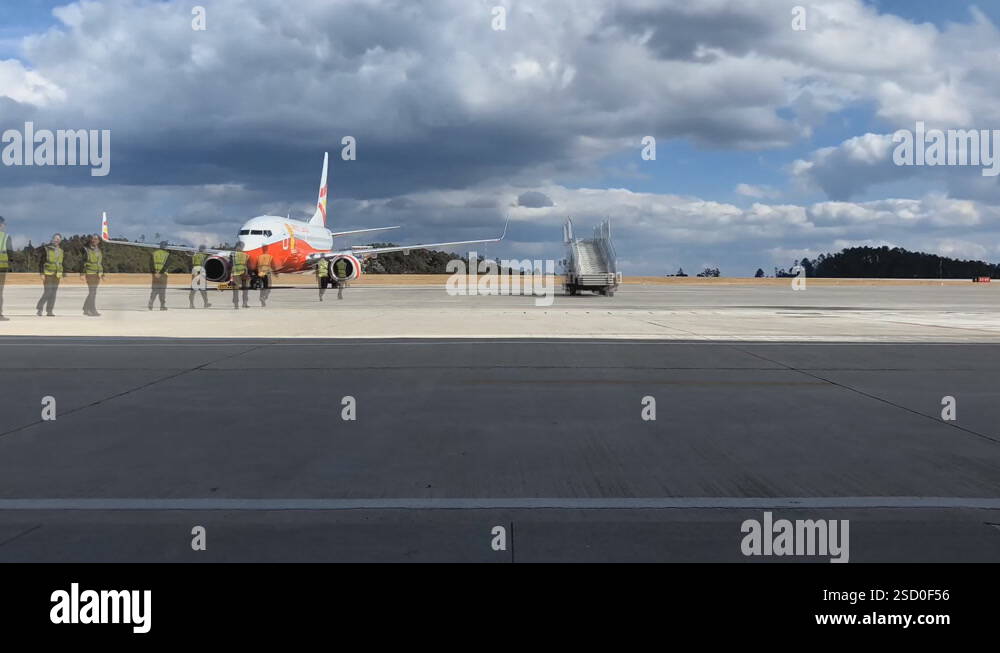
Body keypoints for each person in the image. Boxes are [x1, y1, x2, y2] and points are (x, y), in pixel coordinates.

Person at [36, 233, 64, 316]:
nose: (57, 240)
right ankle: (40, 307)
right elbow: (41, 262)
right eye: (55, 238)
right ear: (52, 239)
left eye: (58, 239)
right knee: (48, 292)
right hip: (48, 273)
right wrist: (41, 273)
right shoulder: (46, 249)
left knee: (53, 293)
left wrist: (62, 274)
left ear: (60, 241)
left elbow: (61, 263)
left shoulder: (61, 251)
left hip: (57, 274)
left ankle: (49, 311)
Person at [80, 234, 105, 316]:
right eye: (93, 239)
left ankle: (85, 308)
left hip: (97, 274)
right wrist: (82, 273)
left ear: (99, 241)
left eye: (96, 239)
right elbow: (83, 262)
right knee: (92, 292)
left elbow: (99, 263)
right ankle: (92, 309)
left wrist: (102, 273)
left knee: (93, 292)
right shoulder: (86, 250)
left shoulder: (99, 250)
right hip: (90, 273)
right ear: (91, 240)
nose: (94, 240)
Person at [148, 241, 170, 311]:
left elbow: (151, 264)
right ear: (165, 246)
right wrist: (161, 273)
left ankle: (151, 302)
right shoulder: (167, 254)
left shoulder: (154, 253)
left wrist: (155, 273)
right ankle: (162, 306)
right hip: (163, 275)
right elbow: (166, 266)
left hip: (155, 274)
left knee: (154, 289)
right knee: (162, 291)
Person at [189, 245, 212, 309]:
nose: (205, 251)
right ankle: (206, 303)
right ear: (203, 249)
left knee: (193, 289)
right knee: (203, 289)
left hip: (194, 269)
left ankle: (191, 304)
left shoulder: (195, 255)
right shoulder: (203, 255)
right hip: (200, 270)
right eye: (205, 249)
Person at [231, 242, 250, 309]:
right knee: (245, 289)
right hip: (244, 272)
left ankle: (236, 305)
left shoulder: (233, 254)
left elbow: (231, 263)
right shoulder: (245, 255)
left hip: (235, 272)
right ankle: (244, 304)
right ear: (242, 247)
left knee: (235, 289)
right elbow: (246, 264)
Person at [0, 216, 12, 321]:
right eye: (4, 224)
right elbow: (10, 252)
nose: (5, 226)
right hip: (2, 269)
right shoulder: (6, 237)